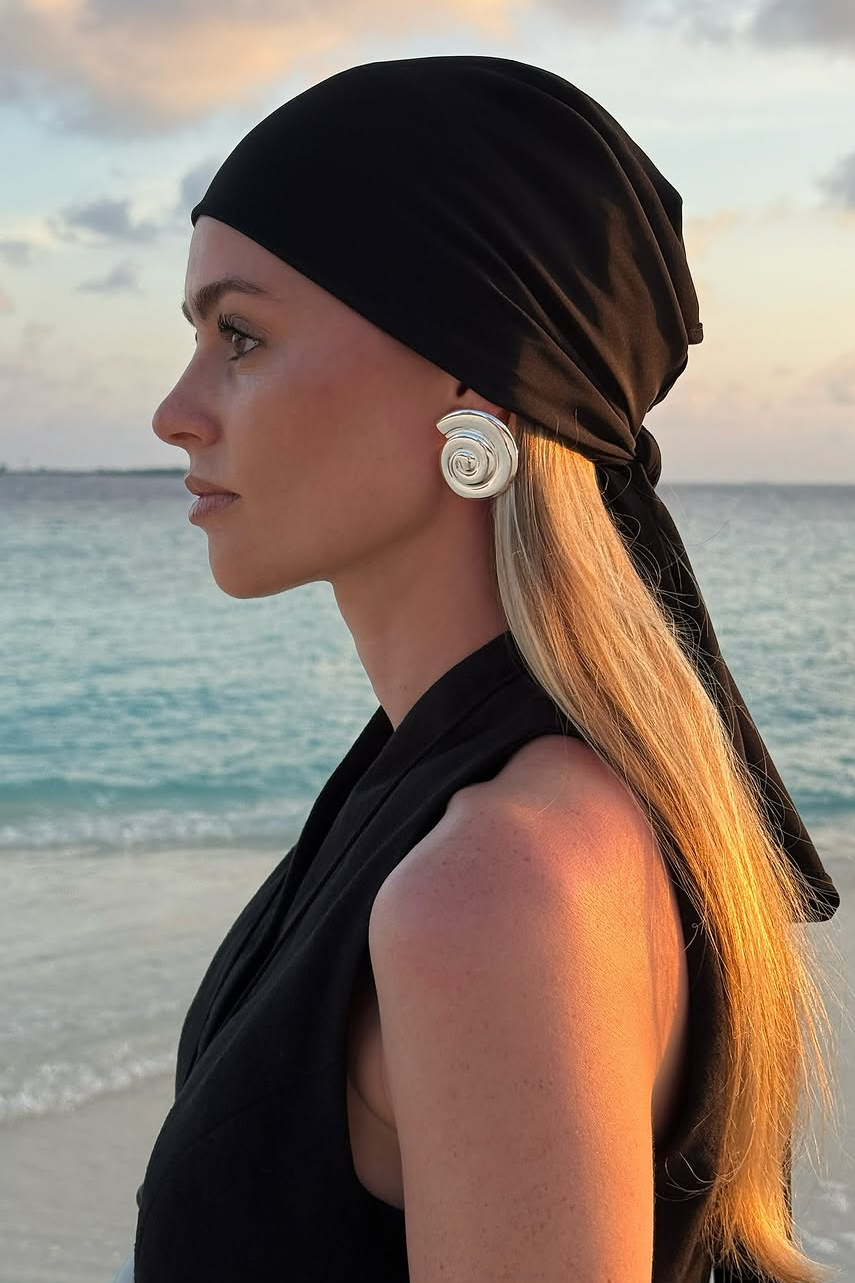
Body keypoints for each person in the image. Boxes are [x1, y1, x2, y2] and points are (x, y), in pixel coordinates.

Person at [128, 54, 839, 1283]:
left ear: (473, 376)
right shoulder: (468, 799)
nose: (175, 411)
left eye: (239, 335)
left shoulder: (498, 884)